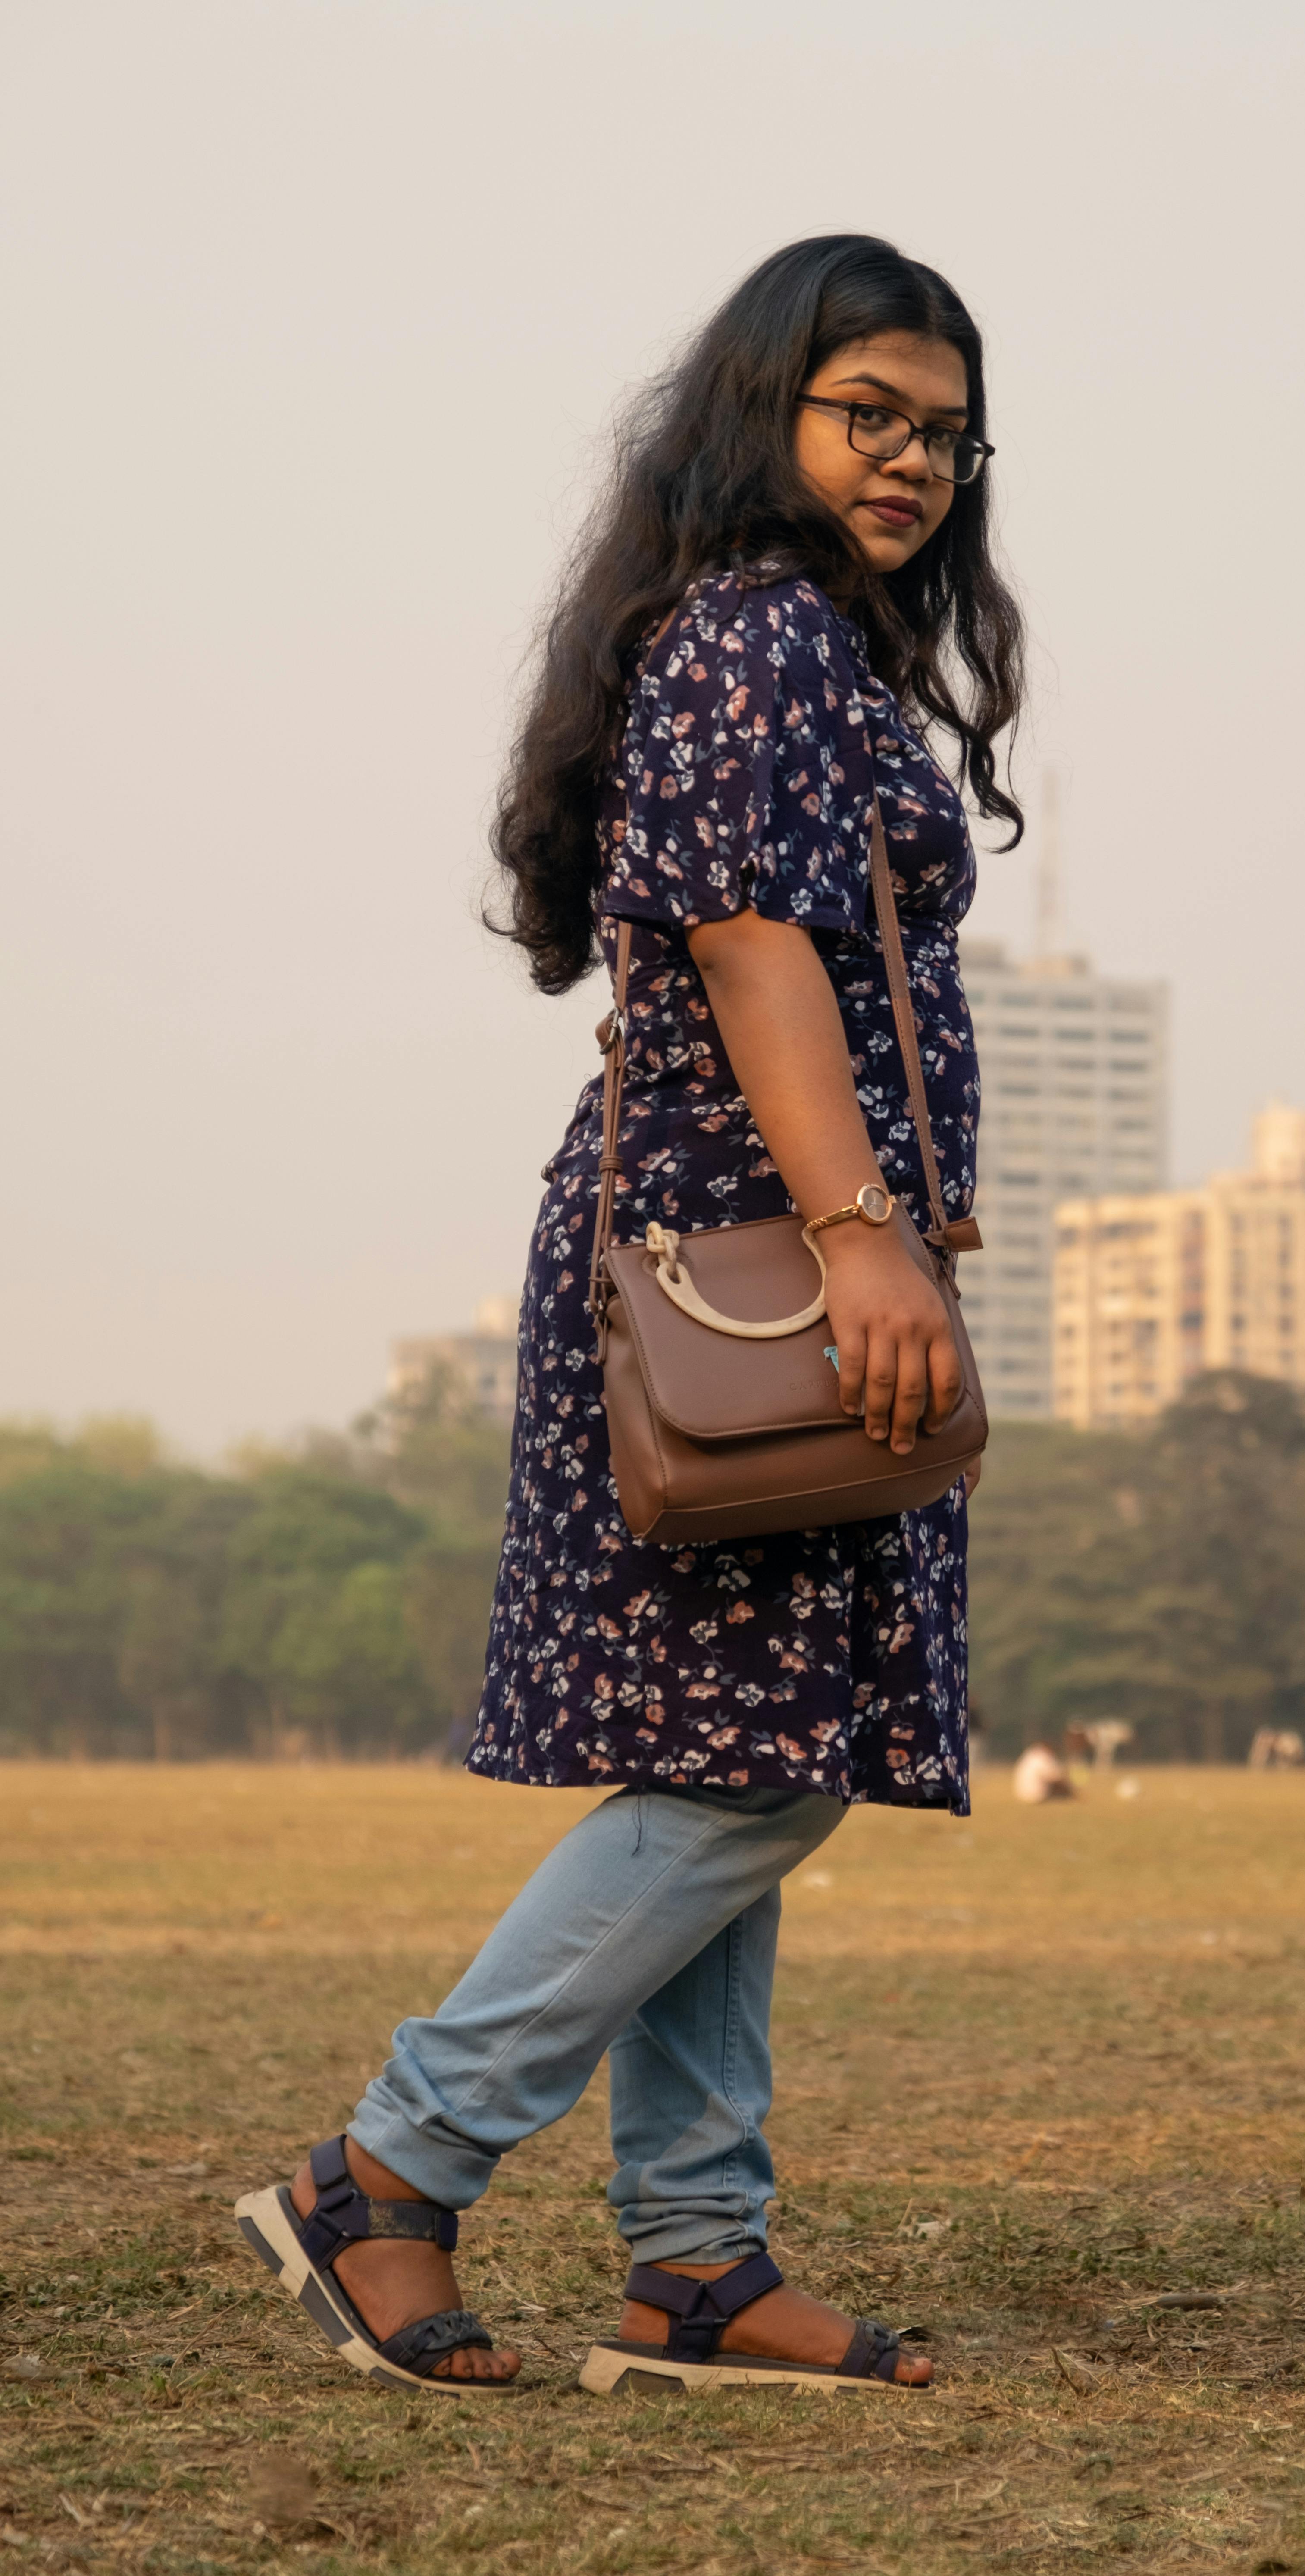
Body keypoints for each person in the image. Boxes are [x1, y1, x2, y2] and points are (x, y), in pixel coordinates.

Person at [235, 235, 1022, 2395]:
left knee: (735, 1742)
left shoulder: (806, 648)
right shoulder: (754, 635)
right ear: (764, 410)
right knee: (754, 1771)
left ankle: (694, 2253)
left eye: (946, 430)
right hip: (740, 1265)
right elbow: (753, 945)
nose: (913, 459)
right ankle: (385, 2169)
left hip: (757, 1247)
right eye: (870, 411)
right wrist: (860, 1234)